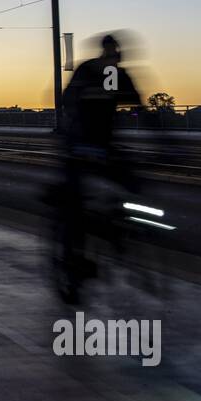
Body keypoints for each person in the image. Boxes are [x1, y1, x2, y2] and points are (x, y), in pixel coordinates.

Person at [54, 33, 141, 300]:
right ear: (104, 53)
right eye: (111, 53)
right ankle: (72, 270)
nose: (114, 58)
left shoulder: (121, 76)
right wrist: (76, 136)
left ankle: (116, 231)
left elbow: (144, 109)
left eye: (117, 55)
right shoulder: (86, 71)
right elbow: (68, 102)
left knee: (132, 183)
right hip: (78, 144)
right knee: (76, 205)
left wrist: (168, 143)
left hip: (105, 145)